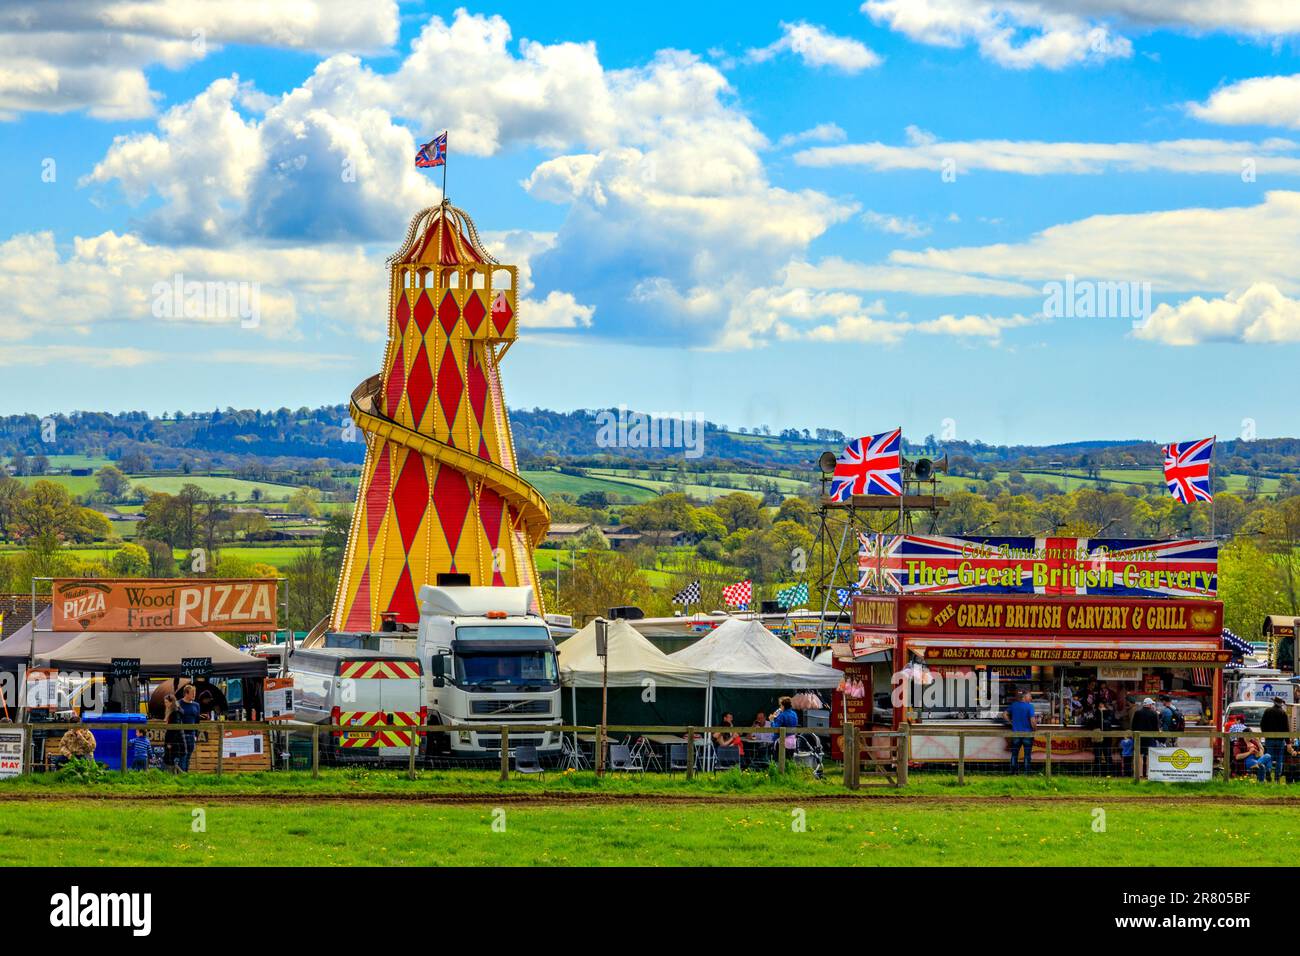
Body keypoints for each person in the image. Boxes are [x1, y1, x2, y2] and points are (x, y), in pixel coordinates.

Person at [1005, 690, 1037, 774]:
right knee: (1027, 755)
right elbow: (1033, 721)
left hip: (1016, 734)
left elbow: (1004, 714)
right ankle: (1027, 773)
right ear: (1024, 697)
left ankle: (1013, 772)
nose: (1031, 698)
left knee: (1014, 754)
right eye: (1030, 696)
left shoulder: (1014, 705)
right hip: (1027, 734)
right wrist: (1035, 729)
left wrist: (1011, 722)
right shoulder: (1030, 707)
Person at [1260, 696, 1290, 781]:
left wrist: (1265, 734)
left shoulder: (1267, 711)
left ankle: (1268, 771)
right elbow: (1286, 728)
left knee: (1269, 756)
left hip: (1269, 739)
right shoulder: (1283, 713)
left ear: (1274, 702)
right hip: (1280, 740)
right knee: (1279, 759)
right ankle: (1277, 777)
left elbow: (1262, 724)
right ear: (1281, 704)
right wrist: (1288, 742)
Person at [1130, 697, 1162, 772]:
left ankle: (1139, 774)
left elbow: (1133, 726)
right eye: (1152, 704)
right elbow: (1156, 728)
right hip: (1149, 738)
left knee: (1139, 755)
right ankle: (1148, 774)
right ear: (1150, 705)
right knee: (1148, 756)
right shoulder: (1154, 713)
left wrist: (1134, 736)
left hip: (1139, 738)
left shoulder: (1137, 713)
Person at [177, 683, 201, 772]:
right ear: (186, 693)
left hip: (191, 734)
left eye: (195, 692)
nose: (194, 695)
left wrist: (196, 734)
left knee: (188, 757)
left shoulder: (196, 705)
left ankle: (185, 775)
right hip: (181, 734)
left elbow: (197, 720)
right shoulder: (178, 704)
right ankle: (181, 775)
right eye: (192, 693)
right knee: (182, 756)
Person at [769, 696, 799, 764]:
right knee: (789, 762)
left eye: (780, 705)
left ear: (783, 705)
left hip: (782, 742)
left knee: (778, 762)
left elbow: (775, 728)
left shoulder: (782, 715)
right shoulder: (794, 714)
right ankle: (789, 774)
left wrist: (771, 720)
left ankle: (780, 774)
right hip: (793, 742)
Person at [163, 693, 183, 772]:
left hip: (173, 741)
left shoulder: (175, 713)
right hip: (171, 739)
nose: (165, 704)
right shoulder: (171, 712)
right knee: (169, 759)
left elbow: (175, 729)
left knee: (171, 760)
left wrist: (170, 742)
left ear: (171, 702)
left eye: (166, 702)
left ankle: (173, 777)